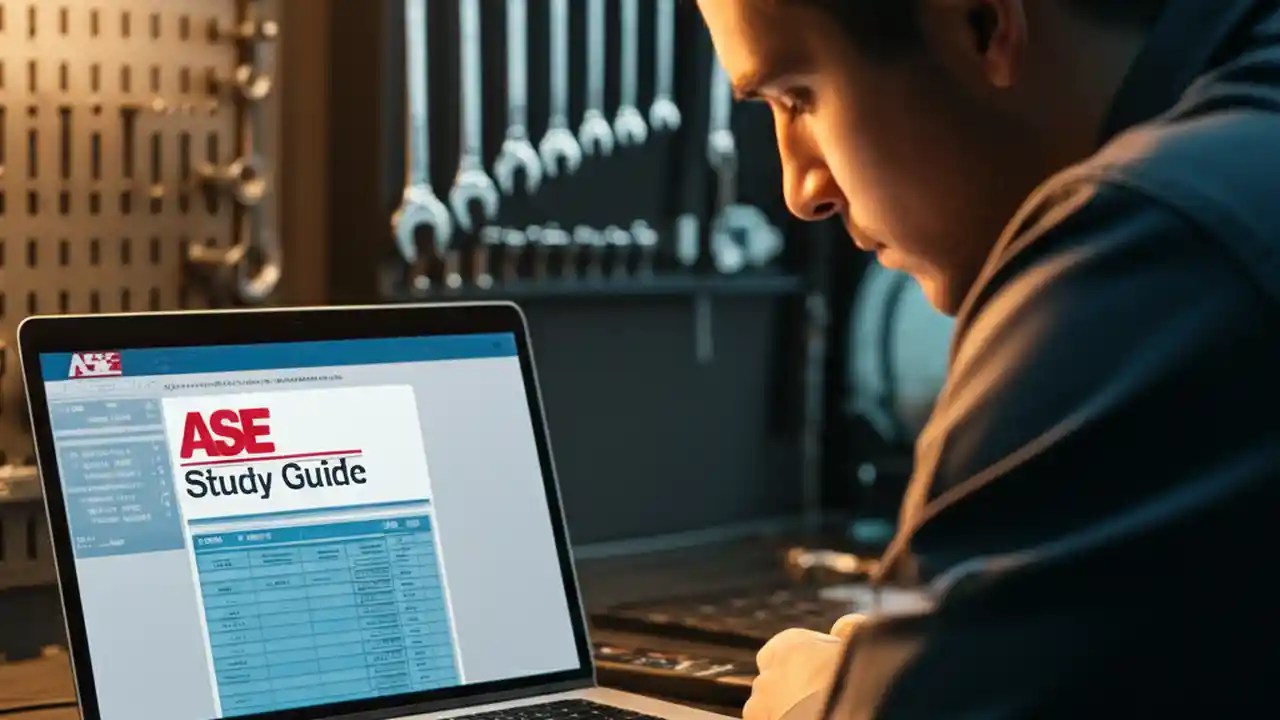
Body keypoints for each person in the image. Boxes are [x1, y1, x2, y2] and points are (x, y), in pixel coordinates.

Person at [695, 0, 1280, 718]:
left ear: (980, 22)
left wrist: (830, 705)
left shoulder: (1152, 251)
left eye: (798, 97)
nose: (801, 191)